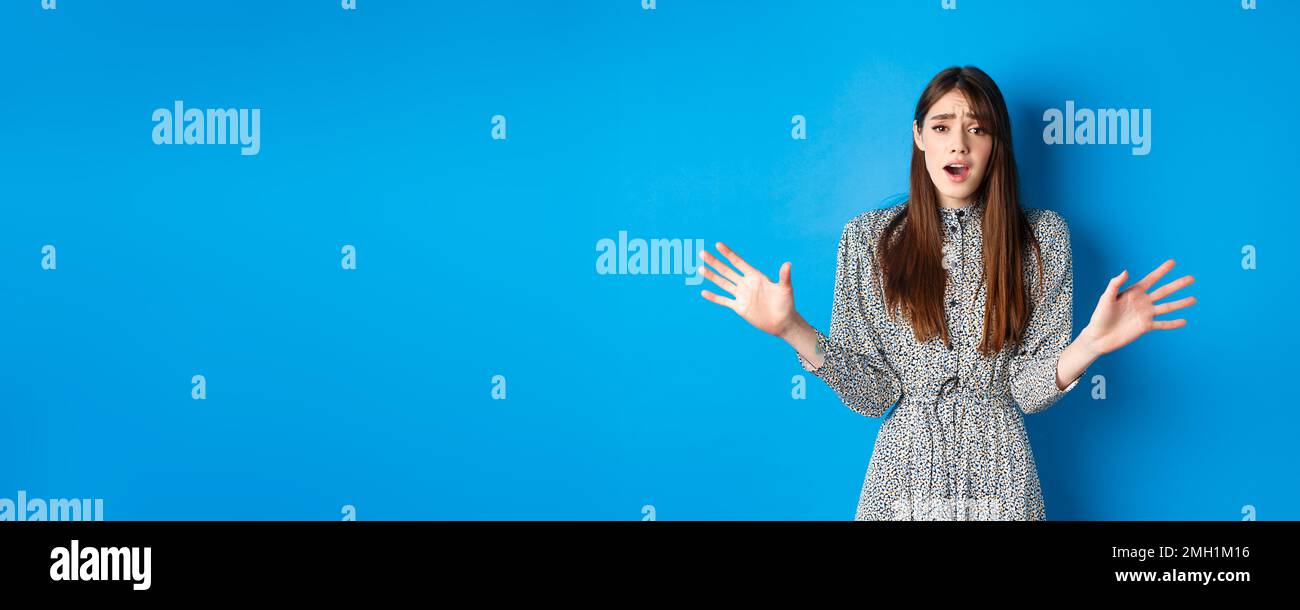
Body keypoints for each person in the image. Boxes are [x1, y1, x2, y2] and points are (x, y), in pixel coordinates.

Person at [697, 65, 1197, 520]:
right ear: (919, 137)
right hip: (903, 478)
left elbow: (1026, 390)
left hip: (1002, 475)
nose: (958, 144)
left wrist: (1089, 343)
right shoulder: (867, 240)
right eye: (941, 128)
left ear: (996, 143)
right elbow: (873, 396)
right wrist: (792, 328)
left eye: (977, 129)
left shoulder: (1043, 238)